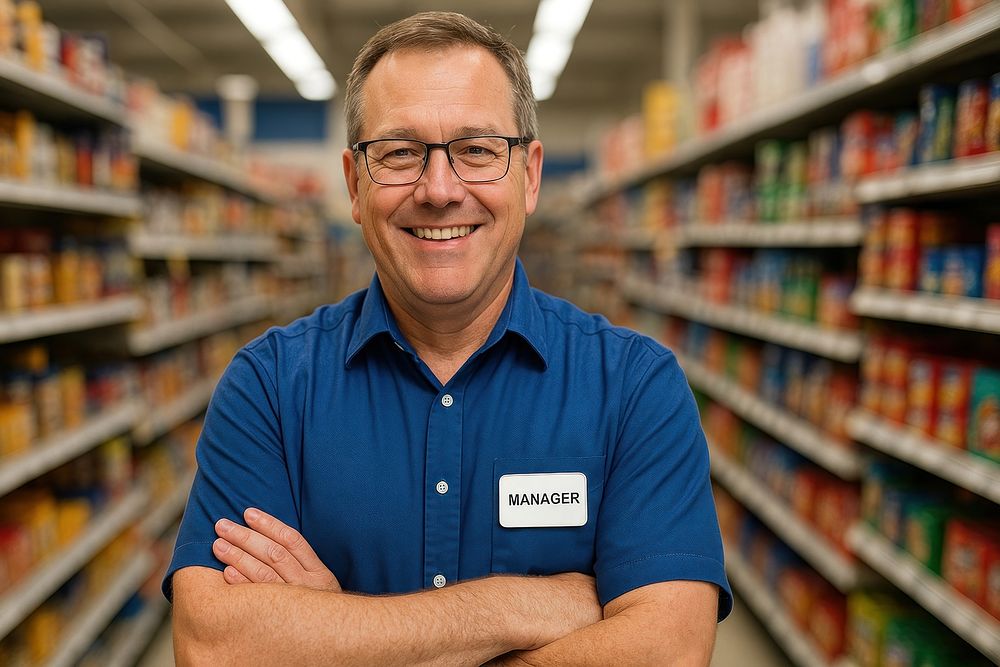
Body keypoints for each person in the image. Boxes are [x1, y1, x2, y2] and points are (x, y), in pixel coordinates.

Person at [167, 11, 732, 665]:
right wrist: (513, 609)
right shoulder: (267, 386)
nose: (440, 189)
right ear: (355, 184)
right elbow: (214, 646)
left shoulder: (636, 388)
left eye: (478, 150)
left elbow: (668, 650)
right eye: (400, 153)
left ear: (530, 175)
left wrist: (332, 633)